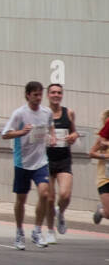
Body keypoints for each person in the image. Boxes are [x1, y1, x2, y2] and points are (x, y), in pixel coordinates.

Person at [1, 80, 54, 250]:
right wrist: (21, 132)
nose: (38, 98)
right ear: (27, 95)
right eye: (35, 95)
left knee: (45, 194)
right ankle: (19, 232)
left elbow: (50, 127)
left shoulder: (47, 112)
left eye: (40, 94)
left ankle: (37, 231)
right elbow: (5, 134)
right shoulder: (20, 114)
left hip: (41, 161)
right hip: (22, 162)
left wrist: (51, 137)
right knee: (21, 200)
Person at [42, 83, 79, 243]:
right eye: (53, 92)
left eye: (59, 92)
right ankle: (50, 230)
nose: (56, 95)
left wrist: (73, 136)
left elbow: (74, 131)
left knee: (65, 194)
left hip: (64, 158)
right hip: (46, 159)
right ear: (48, 95)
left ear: (62, 95)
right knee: (49, 198)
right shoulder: (42, 114)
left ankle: (61, 213)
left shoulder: (68, 112)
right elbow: (35, 135)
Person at [90, 108, 109, 226]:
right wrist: (105, 156)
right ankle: (101, 210)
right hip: (105, 179)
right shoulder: (102, 140)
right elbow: (91, 153)